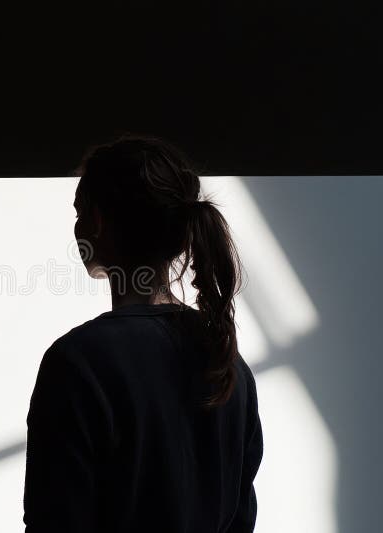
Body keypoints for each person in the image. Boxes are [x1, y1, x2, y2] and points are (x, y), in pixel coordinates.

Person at [22, 135, 263, 532]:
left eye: (80, 212)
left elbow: (54, 522)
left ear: (97, 222)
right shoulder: (230, 367)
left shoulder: (78, 362)